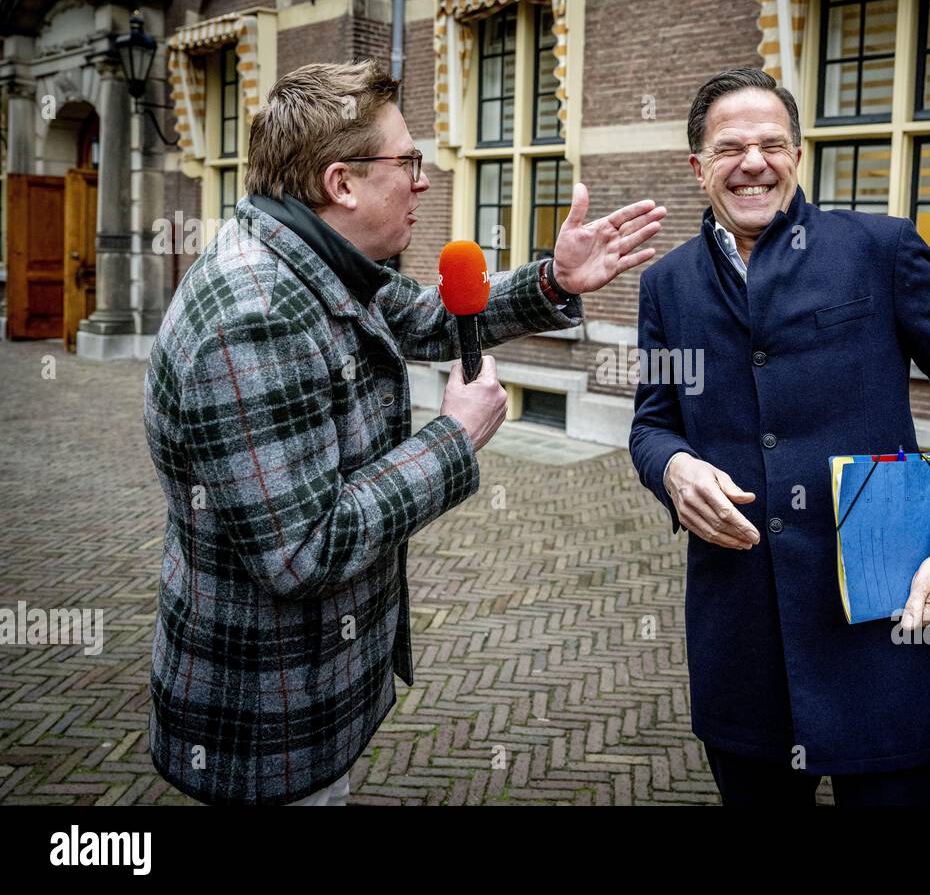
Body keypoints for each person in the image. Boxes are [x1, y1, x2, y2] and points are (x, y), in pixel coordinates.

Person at [143, 59, 664, 805]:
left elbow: (421, 317)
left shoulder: (312, 256)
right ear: (342, 183)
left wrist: (553, 281)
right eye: (408, 162)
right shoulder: (254, 316)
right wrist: (453, 439)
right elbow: (300, 552)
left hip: (307, 694)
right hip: (266, 717)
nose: (423, 180)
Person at [629, 68, 930, 806]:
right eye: (730, 148)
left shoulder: (878, 251)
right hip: (739, 632)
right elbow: (653, 422)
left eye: (772, 143)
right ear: (697, 167)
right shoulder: (668, 285)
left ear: (798, 155)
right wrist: (674, 467)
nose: (754, 162)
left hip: (880, 620)